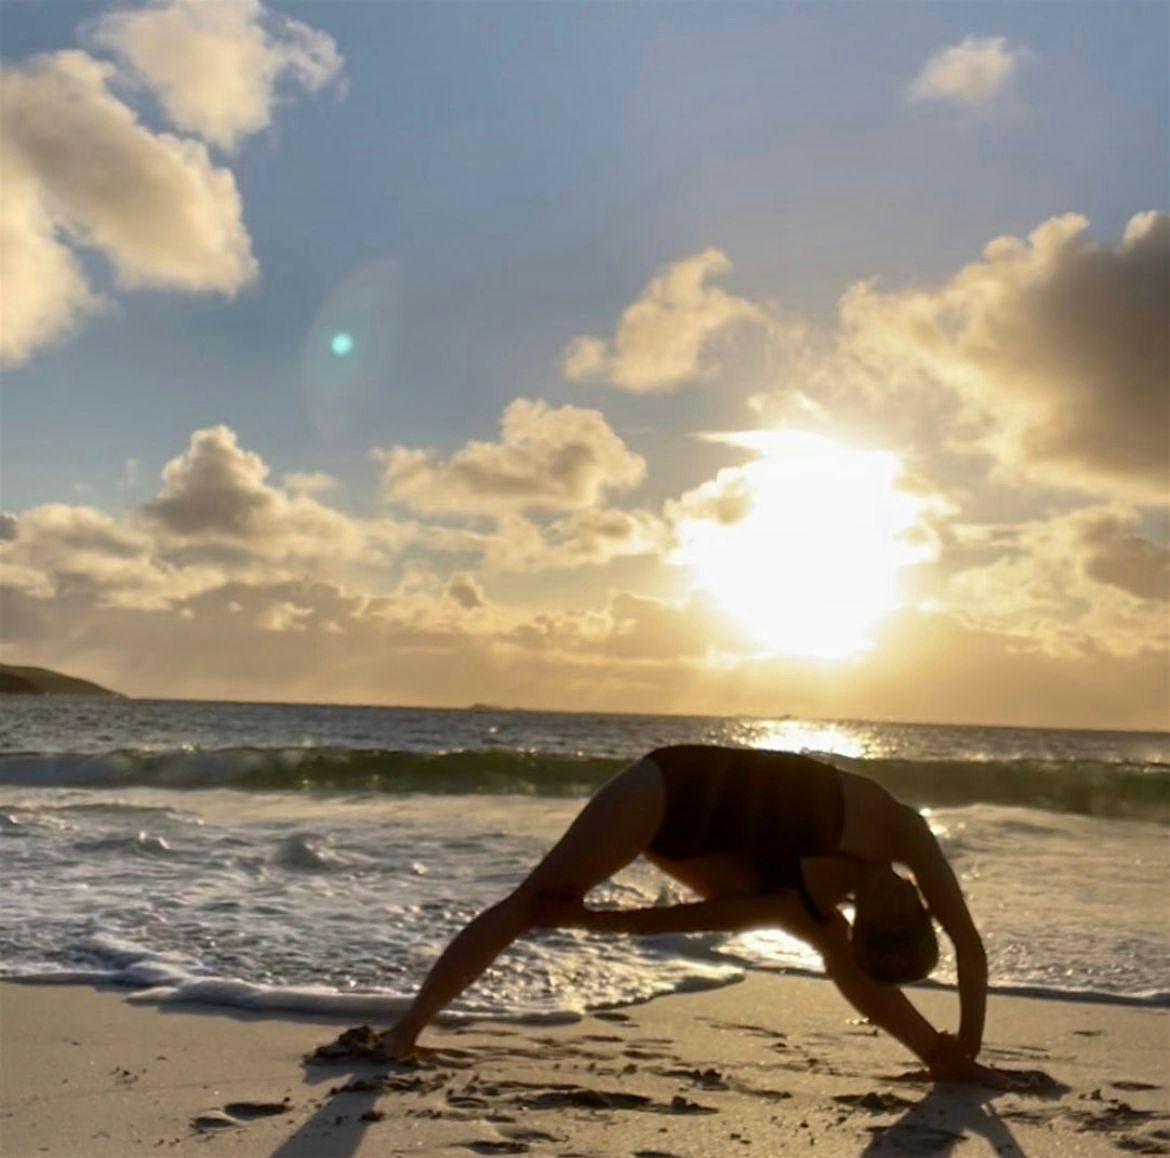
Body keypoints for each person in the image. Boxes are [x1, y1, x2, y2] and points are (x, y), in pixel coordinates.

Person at [379, 744, 1016, 1086]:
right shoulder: (907, 832)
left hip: (694, 840)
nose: (906, 895)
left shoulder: (801, 901)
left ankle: (935, 1055)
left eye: (891, 912)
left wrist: (594, 923)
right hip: (667, 785)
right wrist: (976, 1043)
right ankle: (403, 1033)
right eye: (912, 902)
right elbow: (972, 948)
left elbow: (699, 919)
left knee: (825, 941)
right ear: (918, 906)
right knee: (526, 901)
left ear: (874, 923)